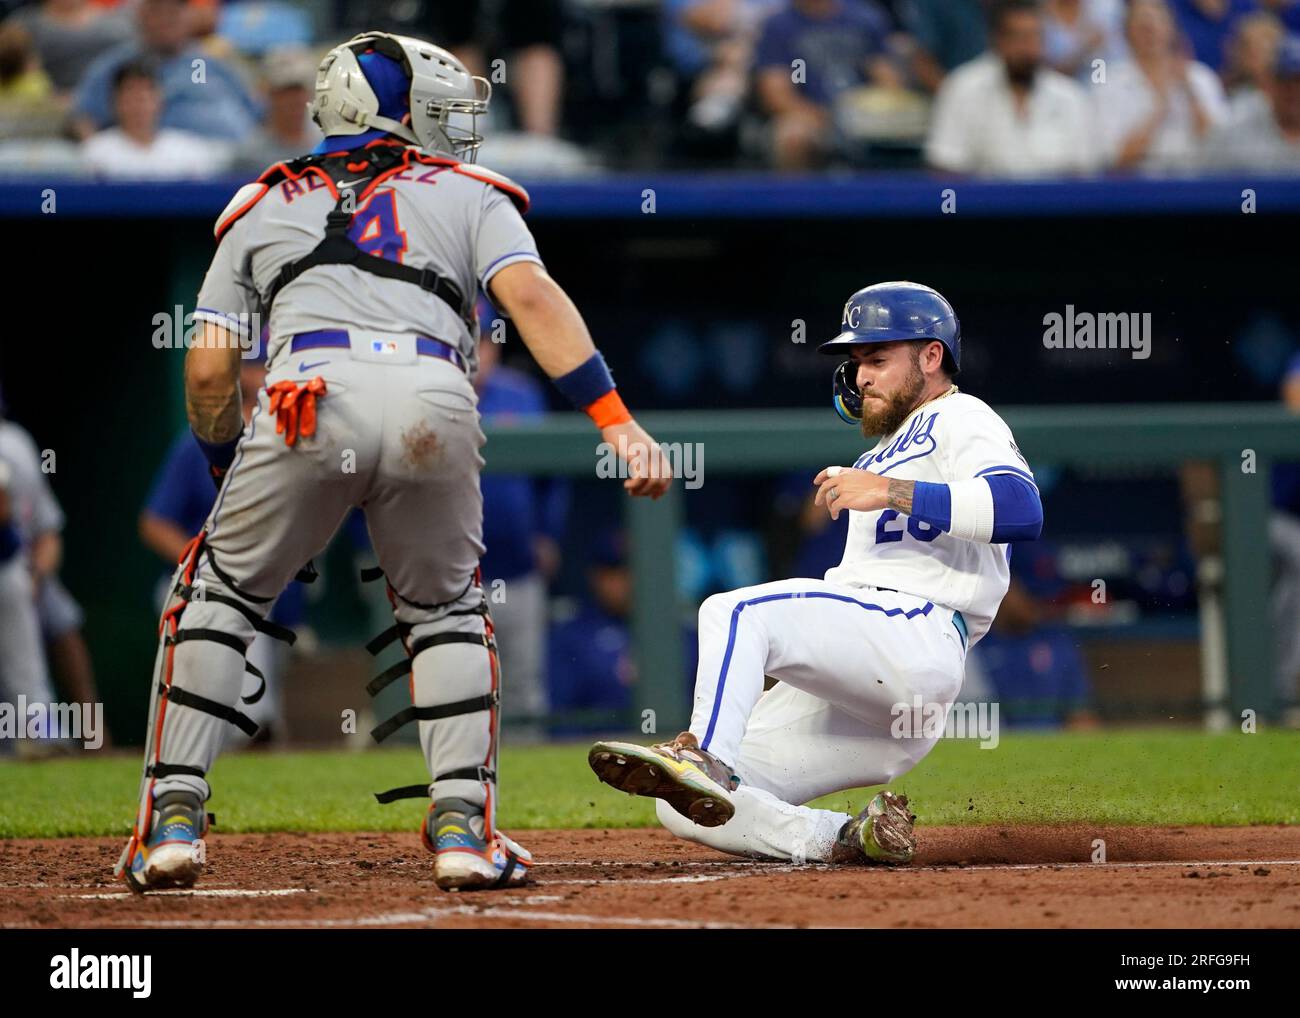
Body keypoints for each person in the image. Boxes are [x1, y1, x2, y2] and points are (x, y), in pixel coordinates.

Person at [115, 30, 672, 896]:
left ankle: (171, 826)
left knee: (218, 598)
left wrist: (228, 463)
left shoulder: (258, 204)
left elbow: (208, 368)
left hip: (305, 394)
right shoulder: (468, 192)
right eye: (437, 105)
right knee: (446, 610)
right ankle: (461, 830)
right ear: (391, 109)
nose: (452, 122)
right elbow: (531, 299)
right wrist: (616, 421)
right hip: (432, 395)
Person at [589, 281, 1042, 865]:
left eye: (878, 359)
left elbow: (1022, 510)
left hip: (916, 633)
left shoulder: (960, 415)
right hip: (884, 686)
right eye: (857, 364)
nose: (861, 377)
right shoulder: (883, 447)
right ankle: (845, 838)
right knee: (679, 804)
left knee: (732, 610)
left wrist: (888, 490)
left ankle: (705, 755)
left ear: (932, 356)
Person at [139, 353, 302, 743]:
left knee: (259, 706)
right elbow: (154, 523)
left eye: (268, 366)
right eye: (251, 366)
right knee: (237, 707)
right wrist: (205, 560)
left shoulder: (291, 434)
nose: (260, 376)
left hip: (273, 585)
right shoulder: (199, 440)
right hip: (203, 583)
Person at [473, 334, 568, 736]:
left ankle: (528, 772)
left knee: (525, 684)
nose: (477, 352)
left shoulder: (520, 393)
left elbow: (553, 473)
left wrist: (547, 534)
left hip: (518, 567)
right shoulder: (426, 391)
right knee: (461, 685)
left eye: (483, 340)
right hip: (453, 575)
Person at [926, 0, 1100, 176]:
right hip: (982, 201)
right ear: (997, 40)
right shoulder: (962, 88)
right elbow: (945, 167)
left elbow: (1085, 174)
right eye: (1019, 38)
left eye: (1035, 37)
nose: (1028, 49)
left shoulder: (1070, 97)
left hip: (1057, 201)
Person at [70, 0, 261, 143]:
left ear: (188, 15)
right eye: (158, 11)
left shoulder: (213, 62)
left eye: (175, 11)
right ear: (141, 16)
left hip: (233, 162)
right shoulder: (118, 65)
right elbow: (84, 118)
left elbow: (255, 111)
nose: (167, 19)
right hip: (161, 168)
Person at [752, 0, 896, 170]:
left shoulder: (865, 18)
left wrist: (866, 111)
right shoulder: (778, 25)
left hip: (864, 116)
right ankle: (797, 196)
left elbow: (888, 81)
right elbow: (775, 93)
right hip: (810, 116)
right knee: (792, 136)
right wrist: (823, 117)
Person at [1092, 0, 1229, 172]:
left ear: (1172, 29)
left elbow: (1220, 146)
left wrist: (1188, 89)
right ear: (1127, 33)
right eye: (1143, 27)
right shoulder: (1109, 83)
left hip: (1196, 182)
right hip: (1135, 187)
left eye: (1157, 24)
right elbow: (1114, 159)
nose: (1151, 32)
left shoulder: (1201, 77)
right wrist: (1159, 110)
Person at [82, 59, 224, 178]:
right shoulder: (96, 153)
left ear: (160, 101)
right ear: (115, 101)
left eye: (144, 97)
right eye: (130, 97)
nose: (138, 104)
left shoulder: (190, 152)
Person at [1202, 31, 1300, 169]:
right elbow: (1208, 184)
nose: (1294, 92)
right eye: (1285, 82)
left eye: (1299, 83)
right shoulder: (1236, 131)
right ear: (1268, 83)